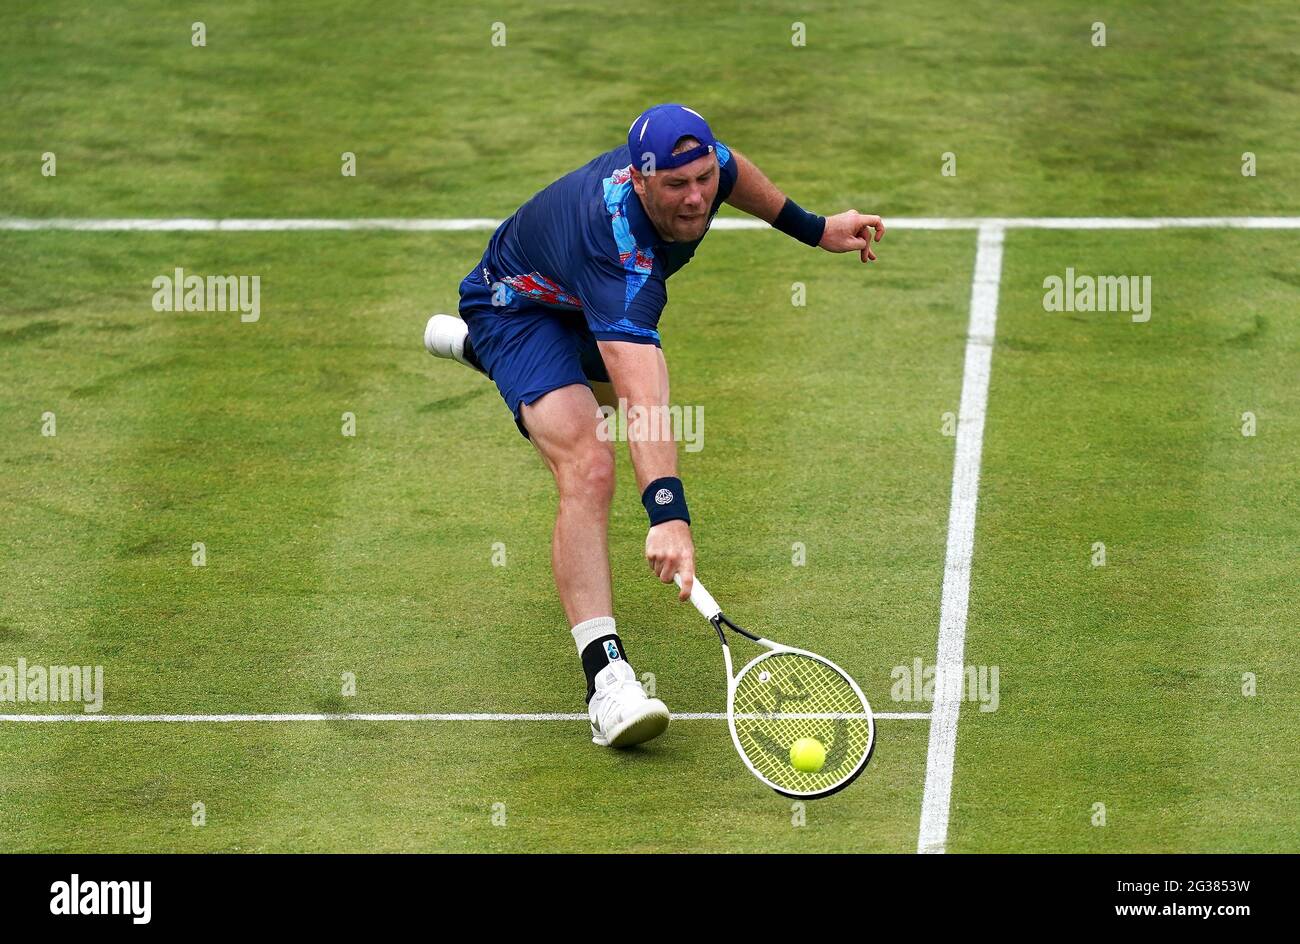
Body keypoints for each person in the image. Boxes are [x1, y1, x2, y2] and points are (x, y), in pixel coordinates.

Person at [424, 103, 884, 748]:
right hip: (519, 307)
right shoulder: (619, 254)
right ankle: (606, 680)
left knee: (594, 406)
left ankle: (493, 363)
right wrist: (668, 515)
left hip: (579, 298)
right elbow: (648, 405)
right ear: (640, 182)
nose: (696, 199)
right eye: (676, 187)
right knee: (591, 463)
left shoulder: (700, 167)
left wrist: (814, 228)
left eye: (701, 180)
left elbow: (733, 172)